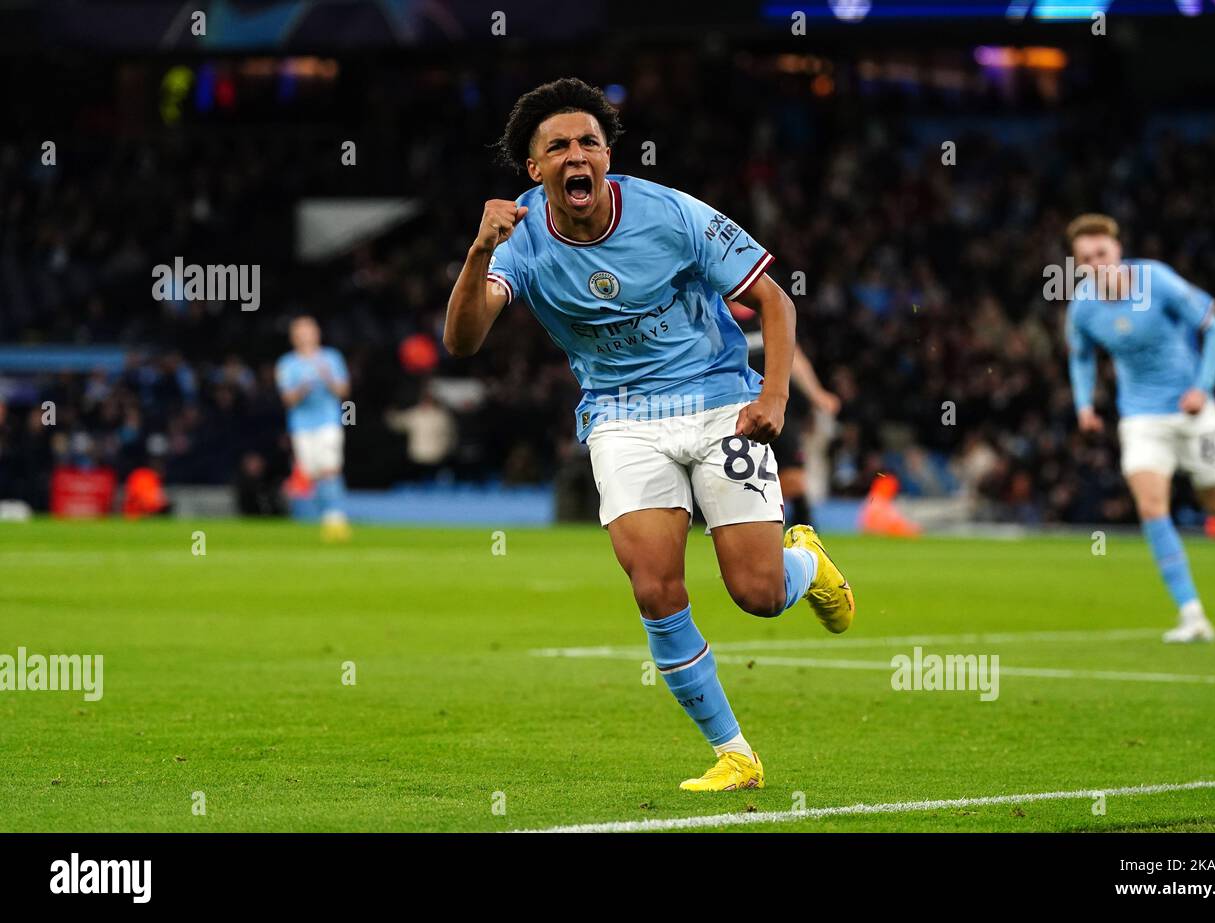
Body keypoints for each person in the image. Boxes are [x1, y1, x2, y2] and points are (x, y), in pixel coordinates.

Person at [444, 78, 855, 792]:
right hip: (621, 416)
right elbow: (464, 340)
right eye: (559, 147)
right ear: (535, 169)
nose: (578, 155)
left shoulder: (669, 212)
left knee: (755, 592)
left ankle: (806, 566)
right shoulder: (520, 237)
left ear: (606, 155)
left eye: (589, 143)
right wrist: (479, 252)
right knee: (655, 586)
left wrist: (776, 395)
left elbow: (773, 299)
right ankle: (735, 753)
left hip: (719, 401)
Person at [1064, 213, 1215, 643]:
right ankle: (1192, 614)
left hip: (1192, 413)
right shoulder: (1083, 306)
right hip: (1141, 417)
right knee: (1151, 507)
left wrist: (1202, 388)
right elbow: (1082, 355)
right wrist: (1084, 404)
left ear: (1118, 250)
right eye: (1085, 258)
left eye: (1101, 253)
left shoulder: (1157, 281)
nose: (1095, 263)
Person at [275, 316, 351, 541]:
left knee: (331, 468)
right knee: (312, 474)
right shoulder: (287, 364)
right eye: (301, 332)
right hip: (301, 426)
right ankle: (327, 517)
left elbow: (344, 392)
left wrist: (326, 377)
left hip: (328, 421)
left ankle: (336, 519)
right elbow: (287, 399)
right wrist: (303, 389)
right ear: (294, 337)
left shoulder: (331, 358)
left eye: (309, 330)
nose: (306, 335)